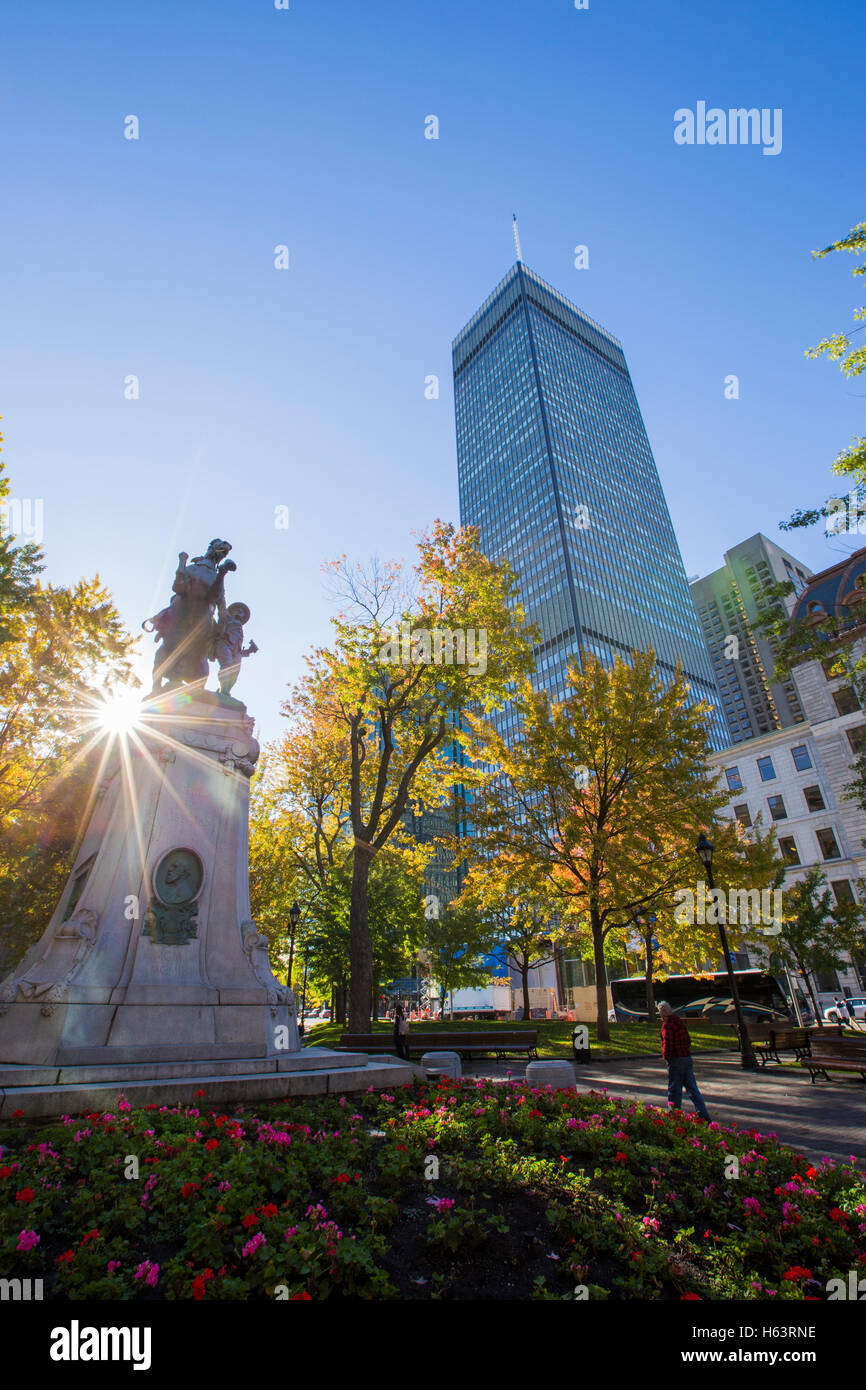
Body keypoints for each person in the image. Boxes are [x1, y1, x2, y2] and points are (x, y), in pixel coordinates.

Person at [658, 1000, 711, 1121]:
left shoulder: (667, 1025)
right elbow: (687, 1040)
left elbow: (668, 1043)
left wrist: (666, 1056)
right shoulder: (679, 1022)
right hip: (686, 1057)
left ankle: (674, 1115)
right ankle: (703, 1114)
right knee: (692, 1089)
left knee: (674, 1089)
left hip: (676, 1059)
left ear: (663, 1012)